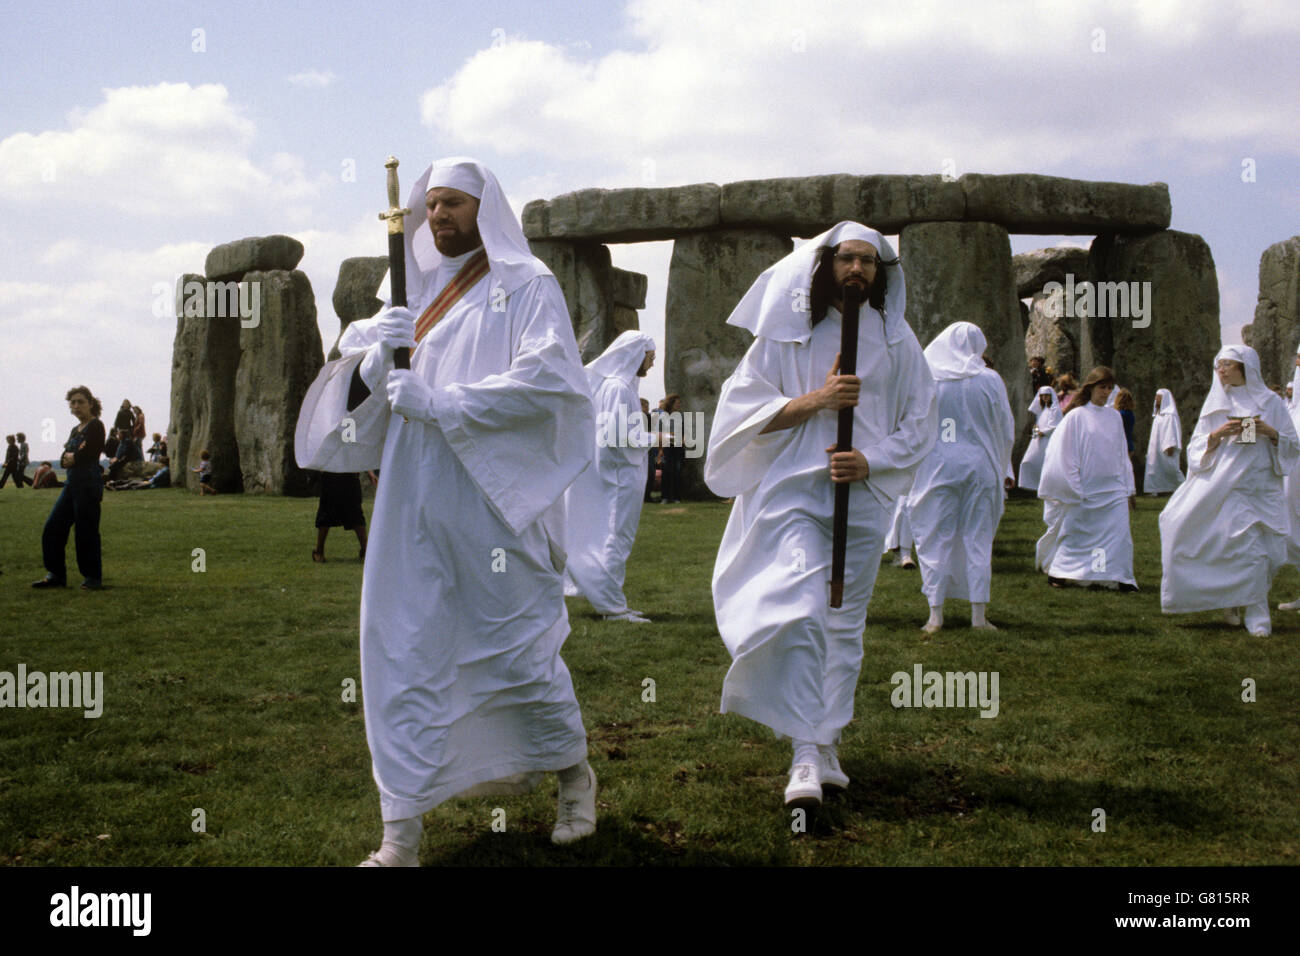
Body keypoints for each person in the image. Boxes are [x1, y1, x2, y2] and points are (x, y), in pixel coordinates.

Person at [294, 156, 598, 865]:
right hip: (410, 499)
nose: (438, 216)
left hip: (493, 499)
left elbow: (550, 381)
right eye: (431, 205)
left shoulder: (527, 285)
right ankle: (400, 831)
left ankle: (574, 777)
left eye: (453, 204)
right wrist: (373, 366)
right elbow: (348, 404)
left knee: (517, 649)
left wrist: (447, 403)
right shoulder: (410, 295)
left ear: (484, 208)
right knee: (401, 649)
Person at [705, 221, 936, 810]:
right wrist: (817, 401)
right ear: (825, 265)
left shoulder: (897, 339)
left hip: (862, 501)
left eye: (869, 262)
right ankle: (804, 750)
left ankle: (825, 740)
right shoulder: (783, 337)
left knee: (843, 624)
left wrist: (870, 460)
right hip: (793, 496)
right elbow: (739, 414)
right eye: (847, 259)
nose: (857, 269)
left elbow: (920, 424)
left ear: (880, 273)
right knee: (804, 609)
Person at [1159, 346, 1300, 636]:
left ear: (1245, 367)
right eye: (1219, 365)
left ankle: (1236, 598)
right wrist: (1216, 436)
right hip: (1230, 486)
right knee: (1245, 550)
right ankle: (1254, 610)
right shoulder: (1216, 404)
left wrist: (1270, 432)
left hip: (1263, 487)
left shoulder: (1272, 403)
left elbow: (1293, 444)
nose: (1221, 370)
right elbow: (1197, 445)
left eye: (1227, 365)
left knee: (1272, 554)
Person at [906, 322, 1015, 633]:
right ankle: (978, 616)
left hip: (938, 465)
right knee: (978, 538)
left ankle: (935, 615)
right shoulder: (990, 380)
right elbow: (1005, 427)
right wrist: (1003, 465)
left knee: (934, 536)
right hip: (979, 466)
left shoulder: (929, 379)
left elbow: (914, 422)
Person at [563, 330, 660, 622]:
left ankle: (613, 600)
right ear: (636, 354)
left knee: (615, 537)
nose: (652, 364)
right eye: (651, 357)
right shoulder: (618, 387)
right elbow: (620, 436)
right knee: (613, 537)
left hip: (621, 474)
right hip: (618, 477)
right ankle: (612, 607)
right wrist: (660, 438)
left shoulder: (619, 386)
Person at [1035, 366, 1137, 591]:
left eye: (1110, 388)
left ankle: (1112, 575)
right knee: (1078, 534)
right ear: (1091, 388)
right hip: (1086, 488)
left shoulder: (1114, 417)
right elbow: (1064, 453)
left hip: (1113, 489)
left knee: (1117, 536)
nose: (1106, 392)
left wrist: (1128, 487)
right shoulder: (1076, 416)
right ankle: (1061, 573)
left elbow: (1121, 453)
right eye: (1102, 387)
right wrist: (1073, 485)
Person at [33, 386, 105, 590]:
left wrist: (75, 457)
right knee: (53, 527)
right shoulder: (76, 430)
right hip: (71, 484)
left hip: (88, 485)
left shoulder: (96, 426)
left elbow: (90, 452)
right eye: (72, 402)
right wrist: (71, 457)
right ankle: (55, 574)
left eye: (80, 401)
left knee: (86, 531)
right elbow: (65, 457)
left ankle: (92, 577)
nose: (76, 406)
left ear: (91, 403)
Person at [1018, 386, 1062, 492]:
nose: (1044, 398)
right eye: (1042, 396)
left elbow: (1055, 425)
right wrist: (1036, 429)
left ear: (1051, 396)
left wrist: (1044, 432)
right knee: (1028, 461)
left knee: (1044, 463)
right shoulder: (1044, 410)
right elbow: (1039, 423)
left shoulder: (1055, 409)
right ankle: (1030, 484)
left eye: (1047, 396)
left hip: (1048, 440)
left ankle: (1044, 486)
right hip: (1037, 440)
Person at [1144, 388, 1185, 495]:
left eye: (1159, 397)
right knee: (1154, 467)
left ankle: (1183, 487)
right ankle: (1154, 490)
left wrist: (1170, 445)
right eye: (1156, 397)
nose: (1156, 399)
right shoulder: (1158, 416)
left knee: (1171, 468)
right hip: (1155, 447)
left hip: (1166, 447)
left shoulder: (1170, 416)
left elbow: (1171, 431)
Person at [1113, 387, 1141, 492]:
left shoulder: (1120, 415)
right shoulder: (1130, 414)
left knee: (1120, 469)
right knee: (1127, 468)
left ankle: (1125, 490)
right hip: (1129, 444)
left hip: (1120, 444)